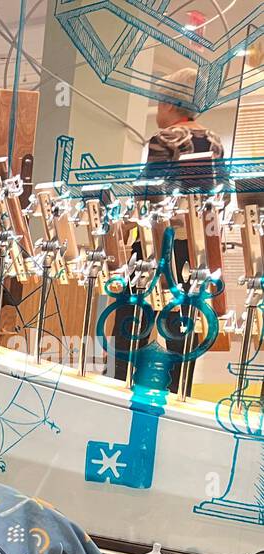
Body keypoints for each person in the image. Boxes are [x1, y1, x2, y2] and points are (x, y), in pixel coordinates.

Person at [115, 68, 226, 393]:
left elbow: (147, 198)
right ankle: (178, 390)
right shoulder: (214, 141)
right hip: (194, 245)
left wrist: (122, 234)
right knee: (184, 319)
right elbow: (215, 193)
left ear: (169, 102)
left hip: (158, 241)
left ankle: (121, 383)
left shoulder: (164, 139)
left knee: (132, 314)